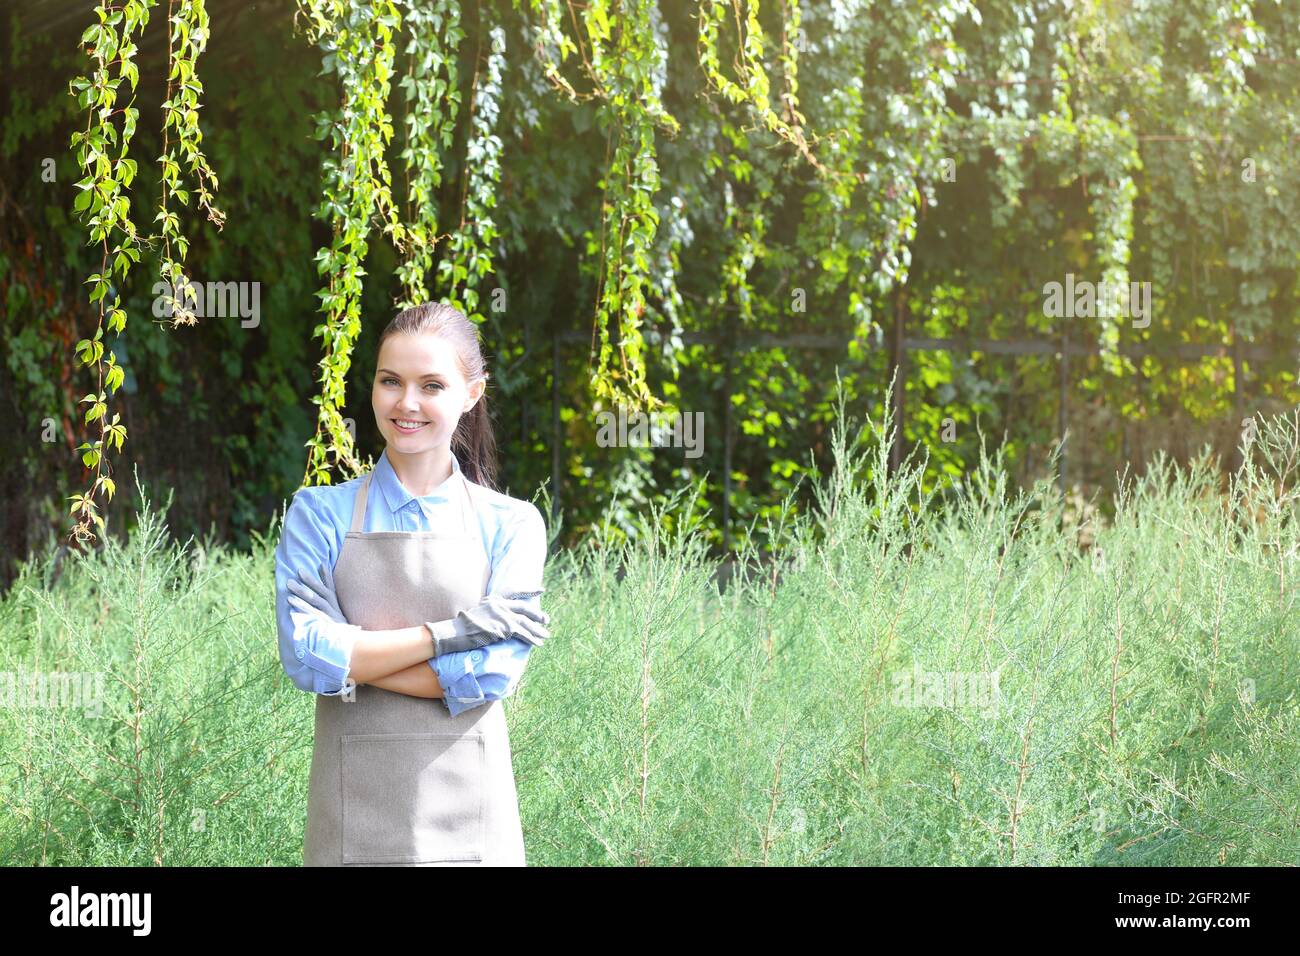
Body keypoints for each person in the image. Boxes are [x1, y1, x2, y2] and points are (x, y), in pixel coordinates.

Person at [274, 301, 551, 866]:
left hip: (474, 821)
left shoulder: (513, 525)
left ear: (472, 394)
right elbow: (303, 655)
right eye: (390, 382)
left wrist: (353, 658)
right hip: (350, 815)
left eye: (431, 385)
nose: (407, 403)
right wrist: (456, 633)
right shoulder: (317, 514)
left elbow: (491, 674)